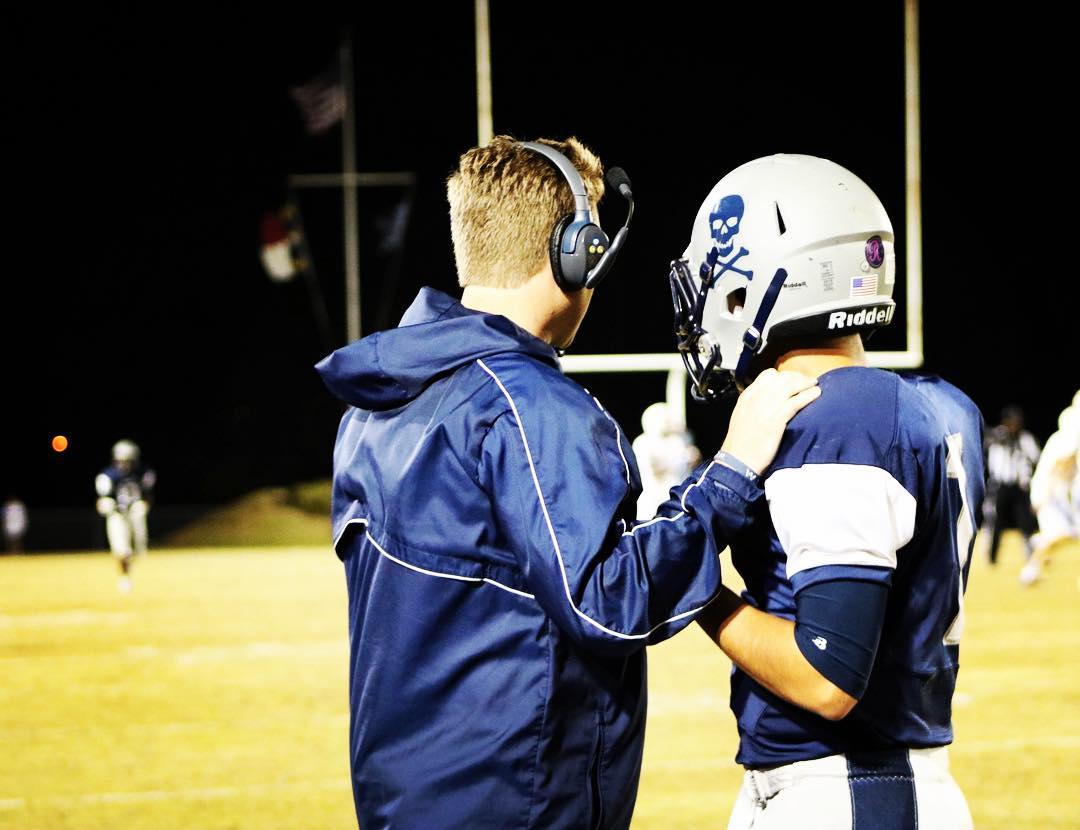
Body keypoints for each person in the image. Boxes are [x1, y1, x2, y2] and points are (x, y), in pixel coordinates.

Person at [315, 136, 820, 830]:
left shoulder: (379, 403)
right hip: (515, 804)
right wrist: (727, 477)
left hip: (405, 803)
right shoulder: (526, 405)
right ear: (574, 249)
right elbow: (608, 604)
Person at [669, 154, 983, 828]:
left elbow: (827, 675)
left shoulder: (841, 417)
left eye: (724, 282)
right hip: (872, 778)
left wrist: (698, 592)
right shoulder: (938, 405)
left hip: (844, 789)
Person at [1022, 393, 1080, 585]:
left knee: (1067, 534)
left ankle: (1038, 549)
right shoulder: (1065, 440)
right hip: (1049, 496)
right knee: (1060, 535)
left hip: (1061, 497)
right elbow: (1057, 467)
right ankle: (1033, 562)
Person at [982, 405, 1040, 567]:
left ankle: (1030, 556)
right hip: (1001, 486)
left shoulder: (1026, 439)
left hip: (1020, 487)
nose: (1014, 425)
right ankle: (992, 557)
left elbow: (1036, 458)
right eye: (1011, 422)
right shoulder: (999, 435)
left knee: (1026, 522)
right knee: (997, 522)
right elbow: (987, 440)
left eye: (1017, 422)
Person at [95, 439, 156, 592]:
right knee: (122, 550)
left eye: (129, 460)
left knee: (139, 550)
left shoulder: (143, 473)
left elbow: (148, 496)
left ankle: (127, 571)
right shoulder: (108, 476)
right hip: (118, 515)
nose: (125, 464)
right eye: (122, 460)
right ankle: (124, 577)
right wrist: (105, 505)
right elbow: (102, 499)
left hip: (135, 515)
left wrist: (144, 505)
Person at [631, 400, 701, 519]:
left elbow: (693, 462)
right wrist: (681, 460)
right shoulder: (642, 443)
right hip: (655, 500)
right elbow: (652, 469)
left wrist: (693, 456)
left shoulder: (677, 440)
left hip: (678, 498)